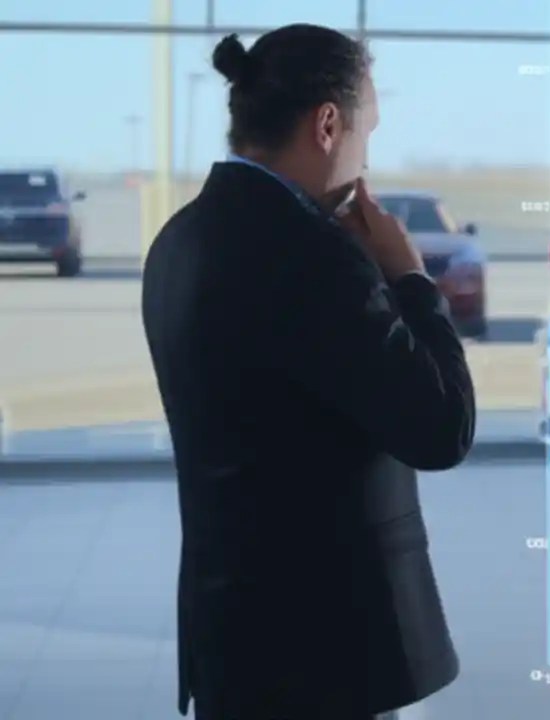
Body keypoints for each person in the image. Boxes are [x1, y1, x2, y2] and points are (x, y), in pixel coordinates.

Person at [140, 25, 476, 720]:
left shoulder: (179, 238)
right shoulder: (308, 258)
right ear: (328, 124)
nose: (366, 156)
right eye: (366, 132)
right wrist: (410, 278)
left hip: (234, 637)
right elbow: (442, 428)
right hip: (324, 655)